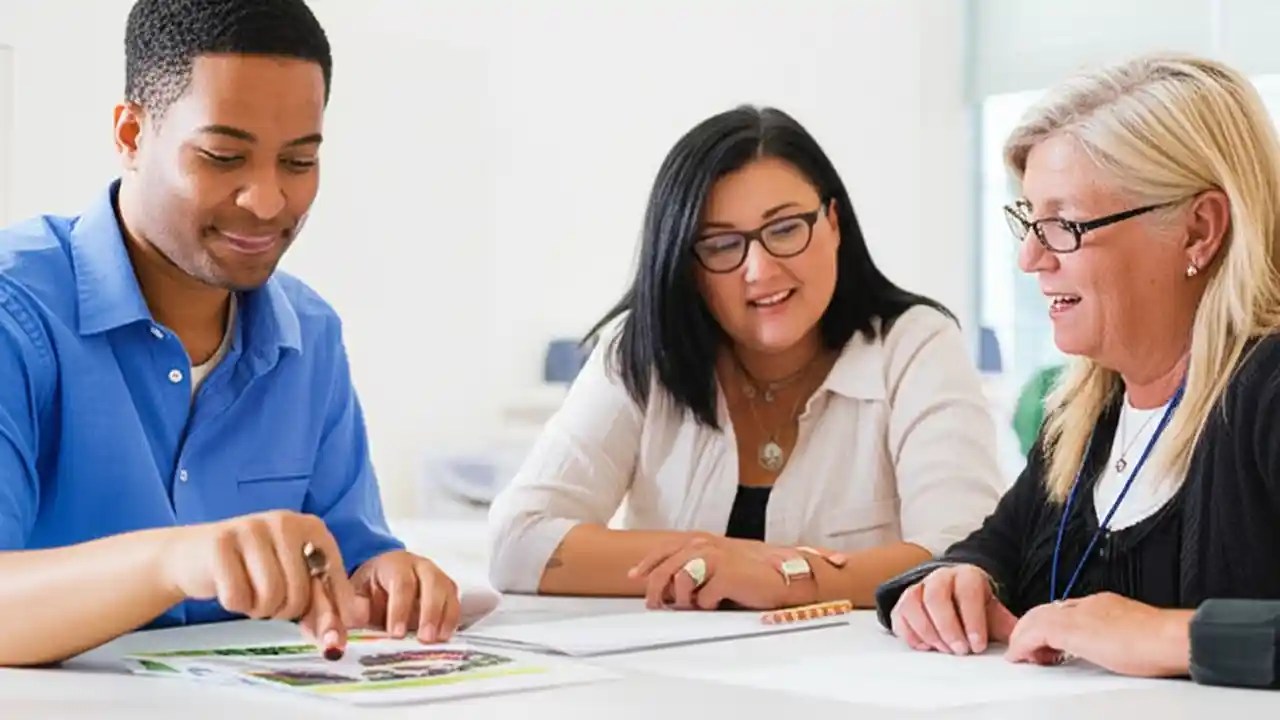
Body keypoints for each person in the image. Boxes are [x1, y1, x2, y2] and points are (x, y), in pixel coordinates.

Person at [0, 0, 458, 667]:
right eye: (222, 156)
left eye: (299, 164)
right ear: (131, 135)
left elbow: (352, 563)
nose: (268, 202)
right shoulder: (16, 316)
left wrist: (388, 577)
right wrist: (174, 559)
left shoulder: (312, 337)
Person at [487, 106, 1005, 611]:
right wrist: (717, 561)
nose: (758, 269)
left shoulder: (915, 347)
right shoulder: (641, 351)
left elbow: (965, 560)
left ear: (833, 223)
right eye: (720, 244)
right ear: (688, 264)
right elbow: (518, 540)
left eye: (784, 230)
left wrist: (783, 577)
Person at [876, 53, 1280, 689]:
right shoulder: (1086, 411)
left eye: (1065, 225)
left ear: (1199, 230)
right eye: (1030, 221)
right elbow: (994, 549)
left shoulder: (1268, 391)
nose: (1030, 258)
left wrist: (1166, 633)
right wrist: (960, 582)